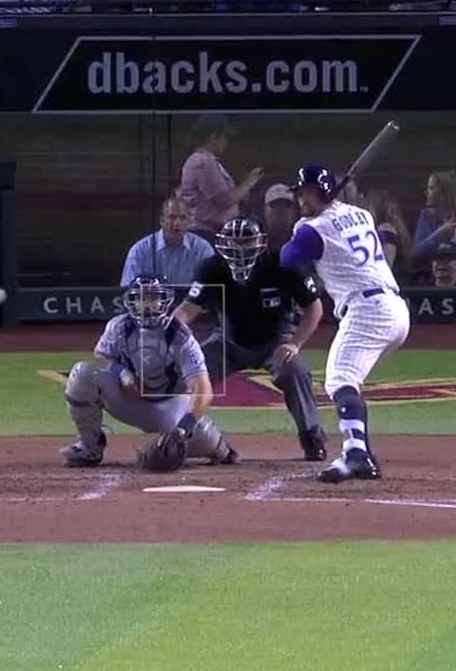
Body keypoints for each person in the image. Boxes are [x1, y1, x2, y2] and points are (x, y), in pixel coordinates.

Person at [280, 165, 410, 484]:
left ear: (322, 191)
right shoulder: (361, 214)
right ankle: (357, 451)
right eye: (299, 192)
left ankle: (356, 456)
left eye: (305, 191)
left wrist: (300, 228)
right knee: (348, 383)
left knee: (340, 379)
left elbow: (287, 259)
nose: (299, 198)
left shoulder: (312, 229)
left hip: (367, 310)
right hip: (395, 311)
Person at [175, 217, 329, 461]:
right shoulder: (211, 268)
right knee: (182, 372)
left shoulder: (284, 264)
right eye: (234, 241)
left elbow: (314, 307)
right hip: (227, 341)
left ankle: (312, 436)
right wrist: (166, 334)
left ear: (260, 242)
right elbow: (187, 310)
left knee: (295, 370)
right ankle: (186, 436)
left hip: (276, 341)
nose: (239, 247)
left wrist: (295, 343)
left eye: (246, 241)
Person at [59, 276, 238, 467]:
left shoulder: (180, 336)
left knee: (205, 443)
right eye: (142, 298)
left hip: (169, 408)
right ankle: (89, 447)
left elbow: (203, 390)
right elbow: (101, 357)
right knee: (83, 374)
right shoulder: (119, 327)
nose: (147, 304)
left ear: (164, 300)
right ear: (132, 301)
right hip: (129, 400)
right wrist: (121, 372)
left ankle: (218, 445)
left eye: (153, 298)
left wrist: (182, 428)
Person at [177, 114, 262, 238]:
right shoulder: (203, 162)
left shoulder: (208, 161)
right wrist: (248, 183)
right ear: (213, 138)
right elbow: (225, 200)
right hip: (203, 232)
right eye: (224, 137)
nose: (225, 142)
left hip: (211, 232)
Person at [119, 195, 214, 286]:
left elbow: (213, 288)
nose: (177, 223)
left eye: (183, 218)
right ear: (162, 220)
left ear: (189, 222)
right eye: (172, 217)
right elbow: (127, 289)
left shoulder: (203, 250)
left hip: (192, 302)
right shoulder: (140, 251)